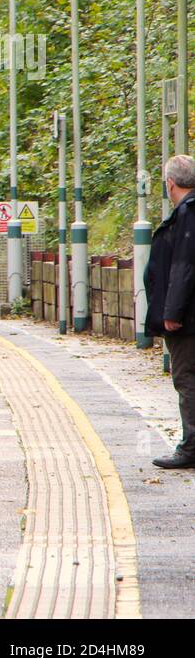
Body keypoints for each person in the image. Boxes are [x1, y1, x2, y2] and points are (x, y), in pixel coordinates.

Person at [145, 154, 195, 468]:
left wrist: (172, 312)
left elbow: (184, 266)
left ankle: (190, 448)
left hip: (188, 318)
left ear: (170, 183)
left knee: (187, 378)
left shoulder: (188, 214)